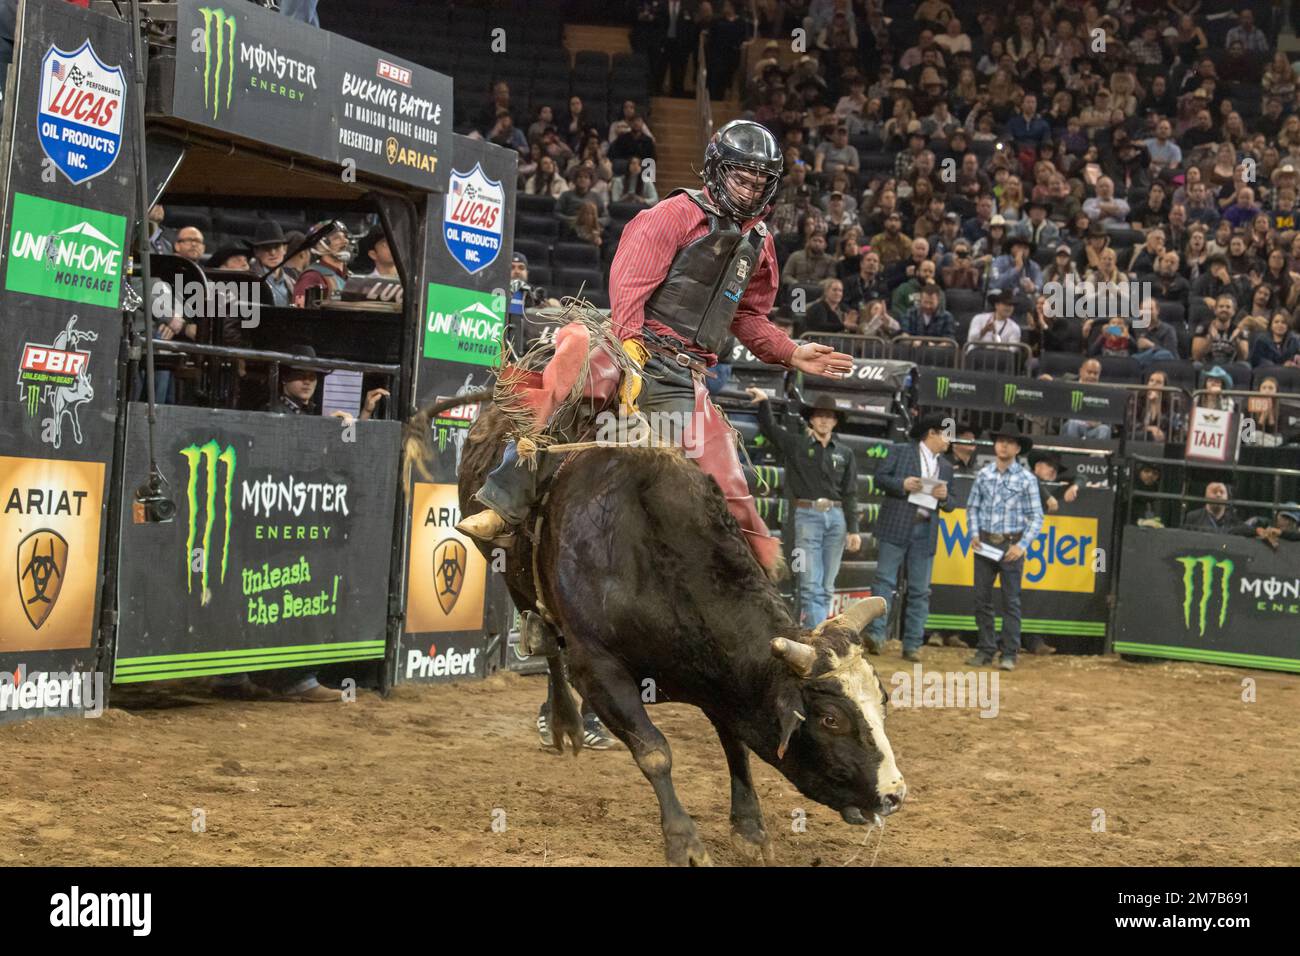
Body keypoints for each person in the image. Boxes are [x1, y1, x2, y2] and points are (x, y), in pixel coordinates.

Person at [456, 120, 854, 576]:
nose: (749, 191)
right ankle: (502, 502)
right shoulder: (674, 214)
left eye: (760, 182)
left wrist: (790, 352)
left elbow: (746, 317)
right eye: (741, 178)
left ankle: (752, 583)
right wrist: (629, 348)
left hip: (685, 375)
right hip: (633, 342)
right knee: (575, 381)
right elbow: (629, 282)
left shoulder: (760, 246)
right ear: (717, 172)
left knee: (729, 478)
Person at [747, 390, 859, 628]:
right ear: (812, 419)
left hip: (836, 517)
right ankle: (818, 638)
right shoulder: (797, 444)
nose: (824, 420)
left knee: (825, 586)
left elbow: (850, 492)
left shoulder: (845, 453)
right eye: (820, 416)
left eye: (829, 416)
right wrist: (765, 403)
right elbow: (771, 430)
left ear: (835, 421)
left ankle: (812, 634)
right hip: (807, 516)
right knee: (810, 586)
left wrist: (854, 529)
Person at [864, 413, 954, 661]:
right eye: (946, 434)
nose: (950, 440)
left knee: (920, 590)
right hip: (897, 524)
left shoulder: (945, 466)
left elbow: (951, 504)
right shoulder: (901, 451)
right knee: (884, 581)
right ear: (932, 434)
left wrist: (945, 496)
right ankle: (876, 635)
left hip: (925, 529)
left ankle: (912, 644)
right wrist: (902, 484)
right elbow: (880, 478)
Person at [965, 425, 1044, 672]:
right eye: (1000, 441)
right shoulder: (984, 474)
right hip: (985, 542)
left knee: (1011, 601)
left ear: (1017, 448)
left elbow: (1037, 516)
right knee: (981, 599)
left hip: (1011, 544)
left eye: (1009, 442)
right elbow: (972, 507)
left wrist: (1021, 546)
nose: (1004, 446)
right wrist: (974, 533)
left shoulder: (1027, 479)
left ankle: (1009, 652)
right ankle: (986, 649)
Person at [292, 220, 356, 306]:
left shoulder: (349, 275)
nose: (345, 241)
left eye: (345, 236)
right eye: (336, 238)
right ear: (320, 245)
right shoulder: (312, 277)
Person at [249, 220, 294, 307]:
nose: (272, 253)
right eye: (266, 248)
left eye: (277, 246)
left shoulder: (292, 281)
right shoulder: (249, 280)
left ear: (285, 249)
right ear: (256, 252)